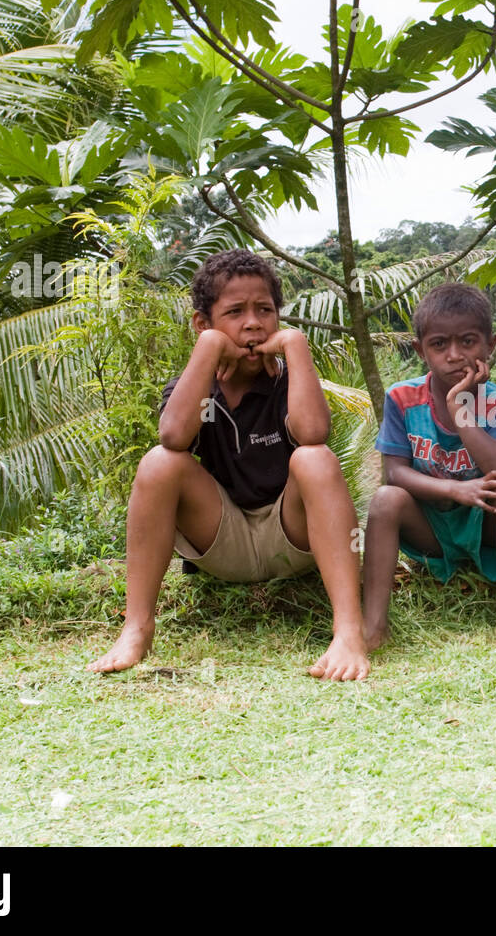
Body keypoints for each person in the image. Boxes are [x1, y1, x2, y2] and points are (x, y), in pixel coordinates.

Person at [87, 249, 371, 681]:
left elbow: (313, 433)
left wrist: (295, 346)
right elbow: (174, 437)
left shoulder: (287, 385)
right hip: (222, 540)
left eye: (265, 311)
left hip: (290, 537)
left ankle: (349, 631)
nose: (253, 323)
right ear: (204, 323)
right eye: (234, 312)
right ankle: (137, 627)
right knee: (159, 462)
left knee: (316, 459)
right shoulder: (194, 391)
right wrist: (209, 350)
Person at [363, 283, 496, 648]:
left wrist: (460, 406)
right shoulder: (401, 397)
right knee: (384, 499)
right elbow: (394, 473)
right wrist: (454, 489)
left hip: (485, 521)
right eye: (439, 344)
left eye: (468, 341)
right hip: (432, 523)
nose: (454, 355)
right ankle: (373, 624)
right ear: (420, 350)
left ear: (489, 345)